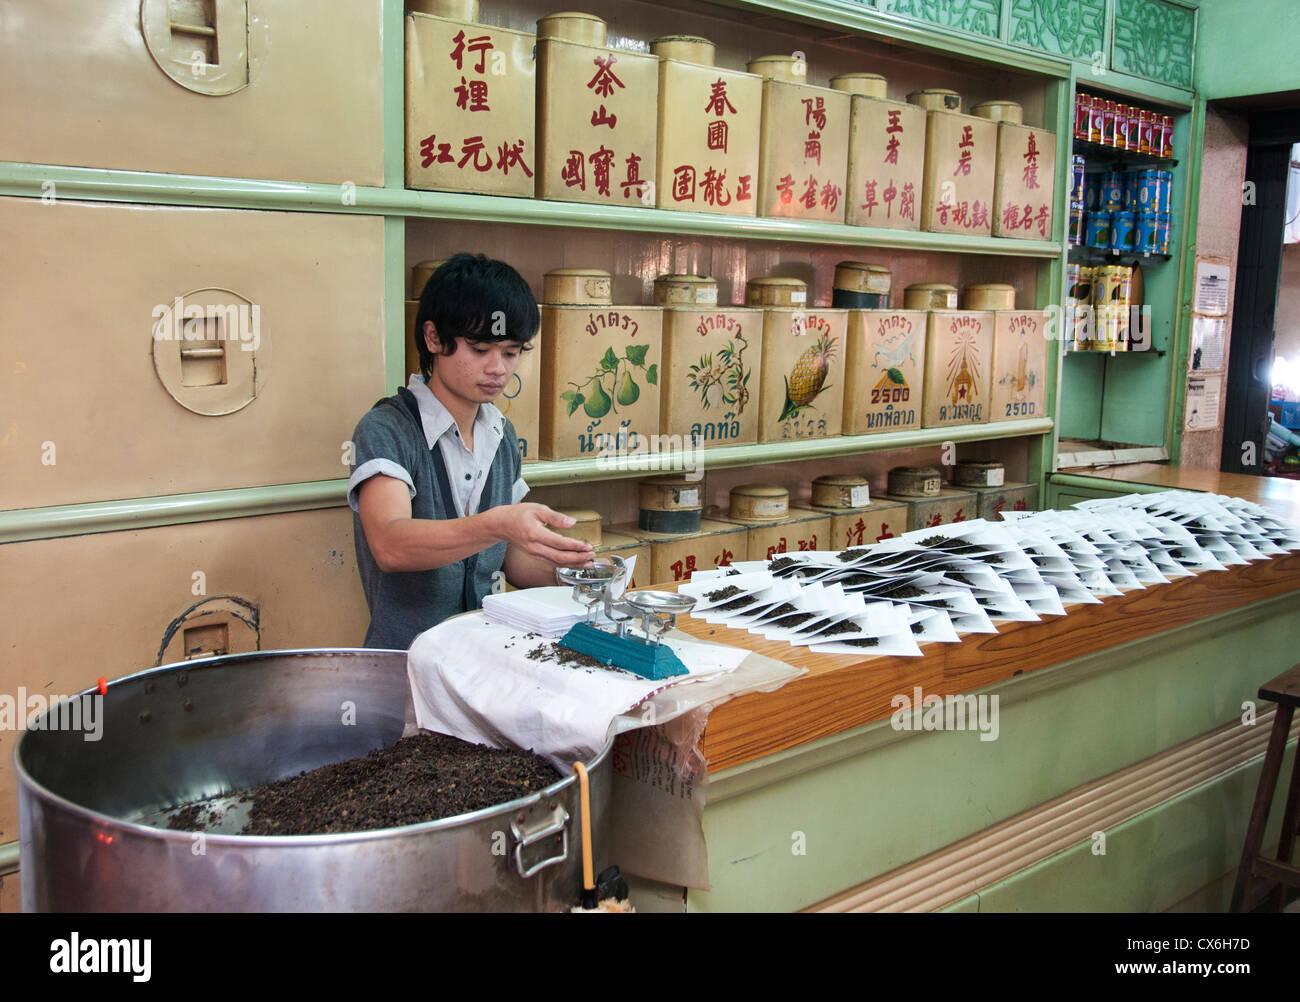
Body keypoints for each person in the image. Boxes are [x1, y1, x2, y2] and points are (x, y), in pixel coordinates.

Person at [348, 253, 594, 649]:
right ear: (433, 338)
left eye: (511, 352)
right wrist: (497, 523)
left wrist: (574, 572)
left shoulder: (501, 434)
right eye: (481, 349)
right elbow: (391, 545)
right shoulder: (387, 430)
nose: (498, 368)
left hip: (484, 660)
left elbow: (509, 557)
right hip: (407, 664)